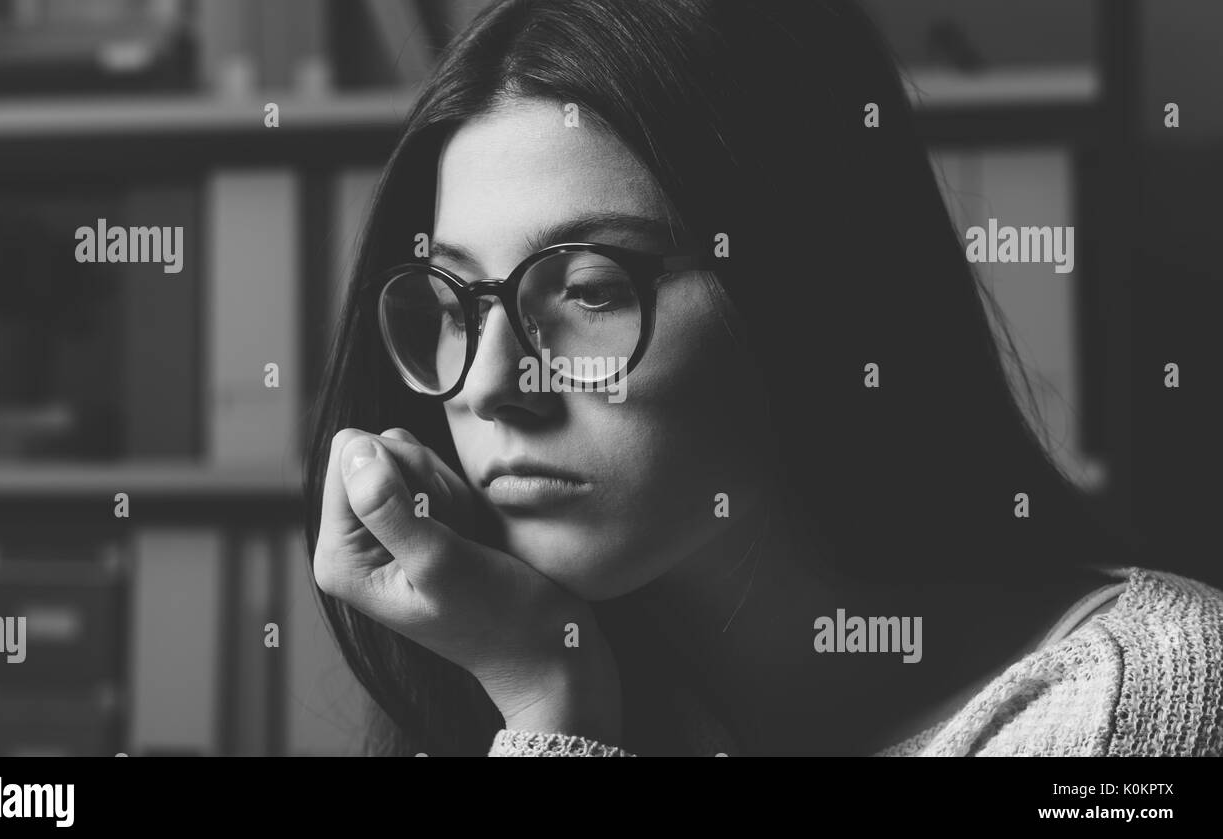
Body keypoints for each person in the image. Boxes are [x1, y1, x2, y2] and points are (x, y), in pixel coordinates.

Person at [303, 0, 1223, 756]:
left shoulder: (1131, 715)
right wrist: (546, 685)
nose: (489, 382)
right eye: (459, 302)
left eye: (587, 287)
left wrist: (556, 720)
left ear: (808, 286)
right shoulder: (536, 672)